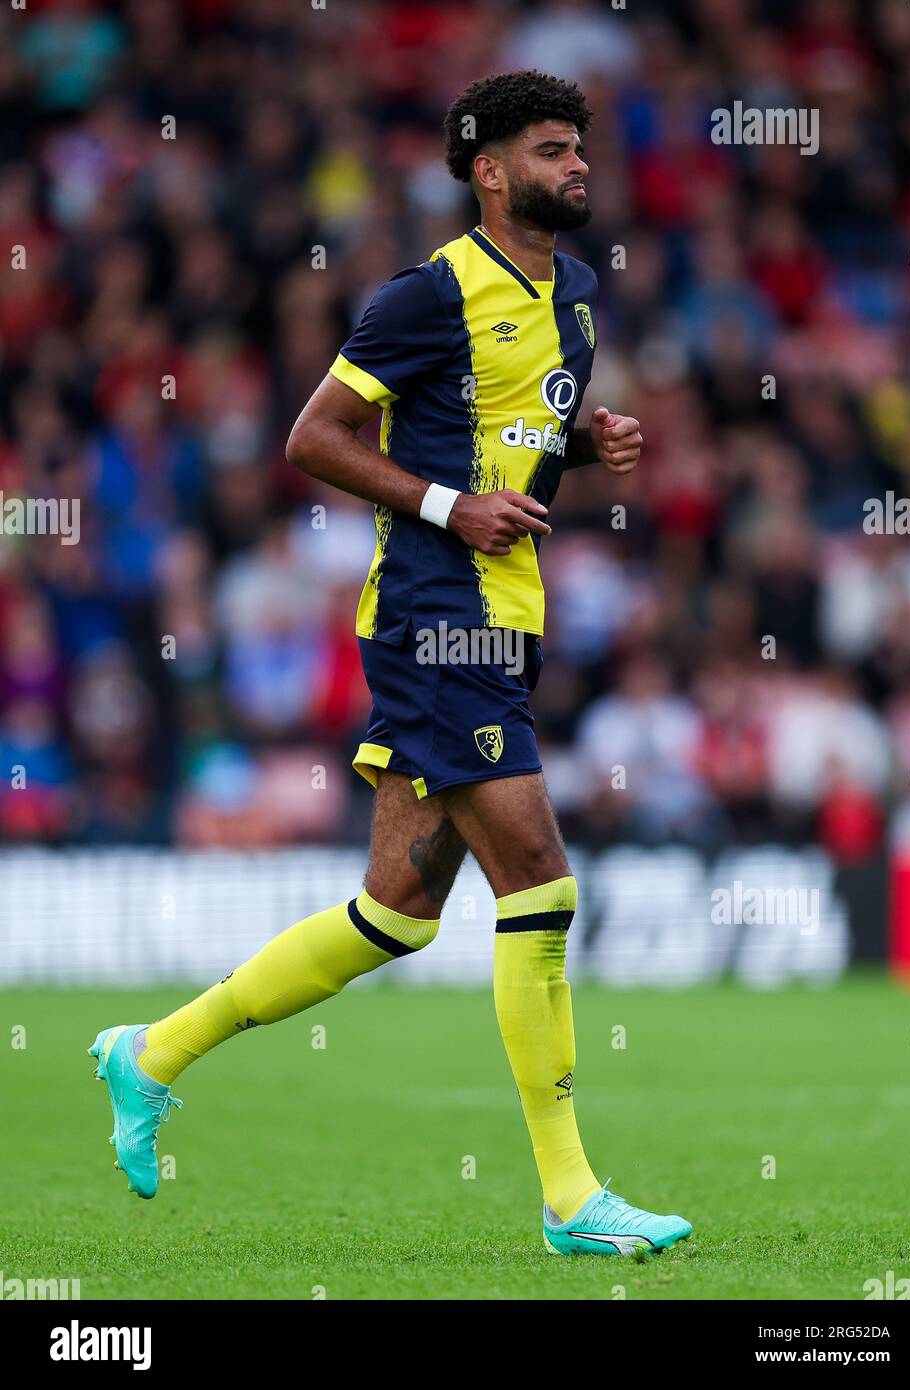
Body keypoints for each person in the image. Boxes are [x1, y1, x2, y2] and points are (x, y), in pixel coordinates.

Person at [89, 69, 692, 1258]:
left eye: (581, 149)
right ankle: (571, 1196)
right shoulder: (426, 295)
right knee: (542, 880)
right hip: (434, 615)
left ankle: (147, 1052)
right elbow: (313, 436)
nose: (580, 167)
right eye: (554, 150)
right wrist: (444, 506)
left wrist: (588, 437)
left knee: (396, 915)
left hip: (504, 616)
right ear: (490, 170)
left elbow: (518, 426)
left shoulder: (573, 292)